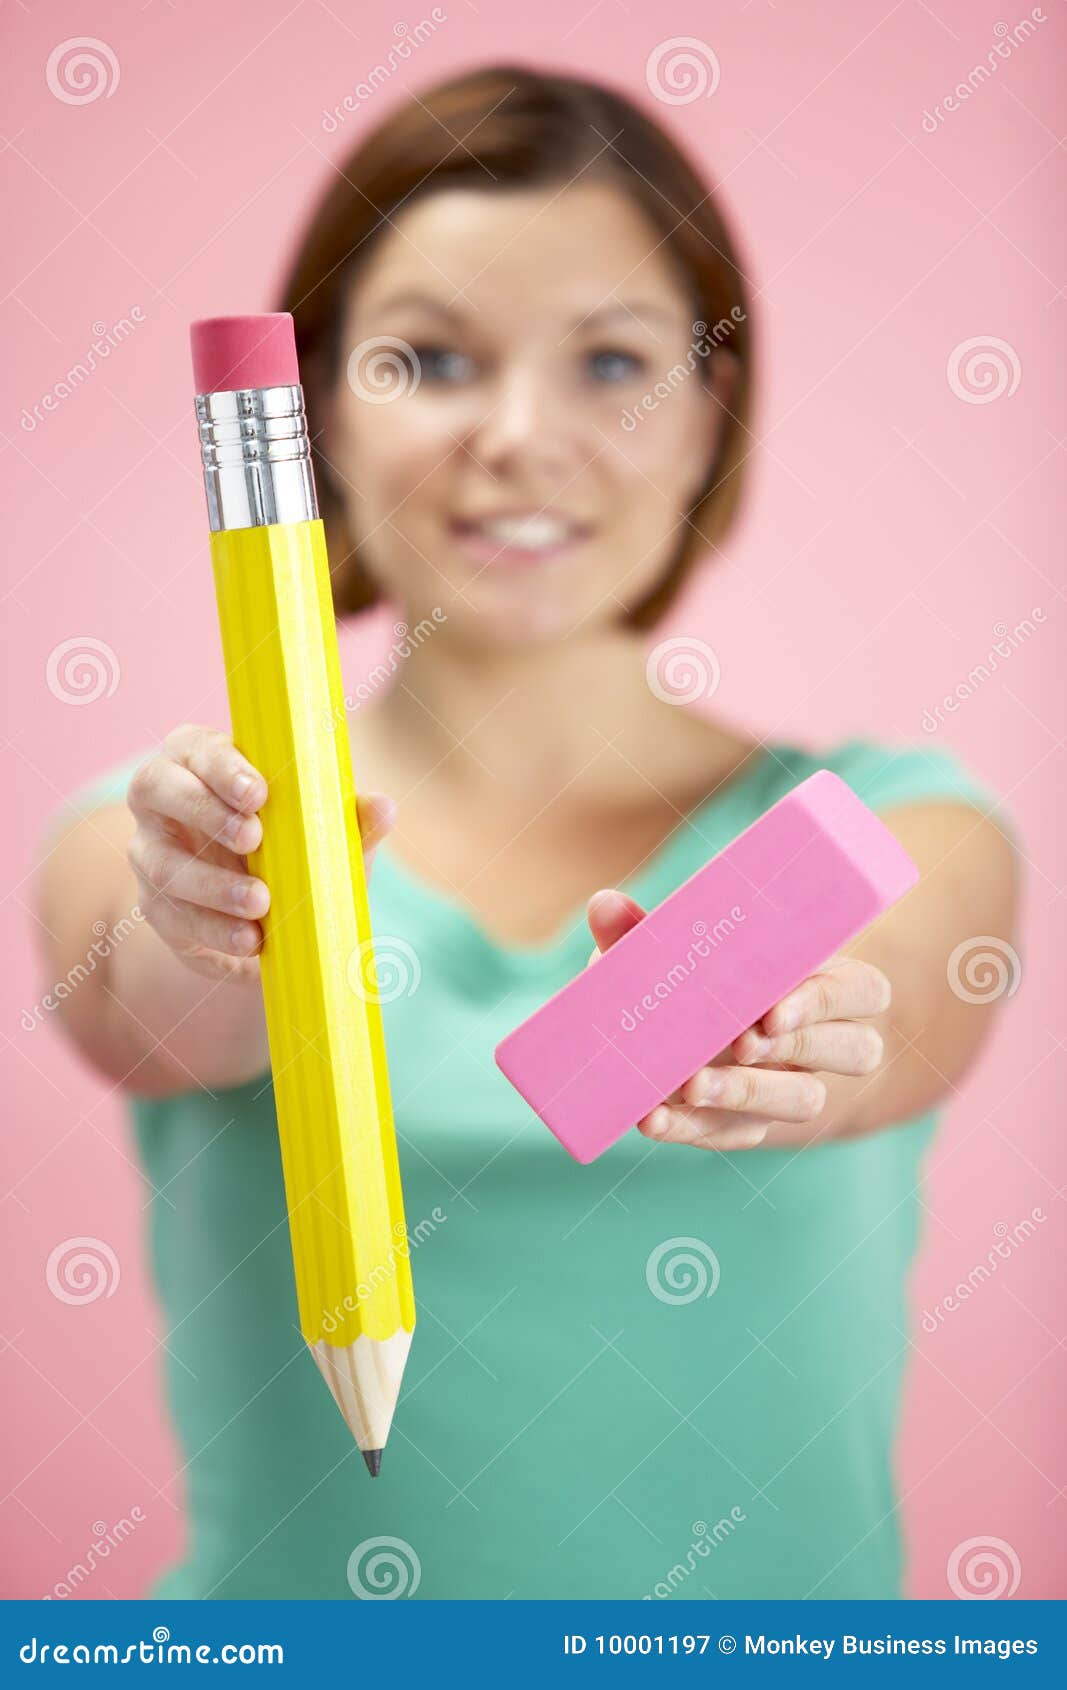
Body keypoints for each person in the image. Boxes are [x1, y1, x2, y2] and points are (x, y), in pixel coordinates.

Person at [36, 65, 1018, 1600]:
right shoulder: (152, 831)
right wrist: (211, 921)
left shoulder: (908, 821)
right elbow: (166, 1010)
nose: (517, 435)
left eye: (613, 361)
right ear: (309, 426)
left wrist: (794, 1038)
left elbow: (892, 1004)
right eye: (427, 358)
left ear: (714, 412)